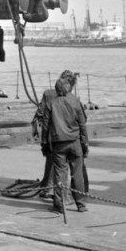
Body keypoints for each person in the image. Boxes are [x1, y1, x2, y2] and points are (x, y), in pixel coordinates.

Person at [41, 76, 89, 213]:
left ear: (56, 89)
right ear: (68, 89)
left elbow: (45, 126)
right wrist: (85, 143)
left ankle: (59, 204)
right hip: (75, 143)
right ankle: (81, 204)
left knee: (60, 174)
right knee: (77, 173)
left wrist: (44, 144)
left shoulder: (51, 103)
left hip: (58, 144)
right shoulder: (76, 102)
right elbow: (82, 125)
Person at [32, 69, 81, 197]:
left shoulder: (48, 93)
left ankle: (47, 188)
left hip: (50, 136)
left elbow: (40, 114)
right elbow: (80, 120)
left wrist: (42, 138)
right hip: (68, 137)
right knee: (66, 169)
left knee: (51, 163)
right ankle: (65, 196)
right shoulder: (73, 99)